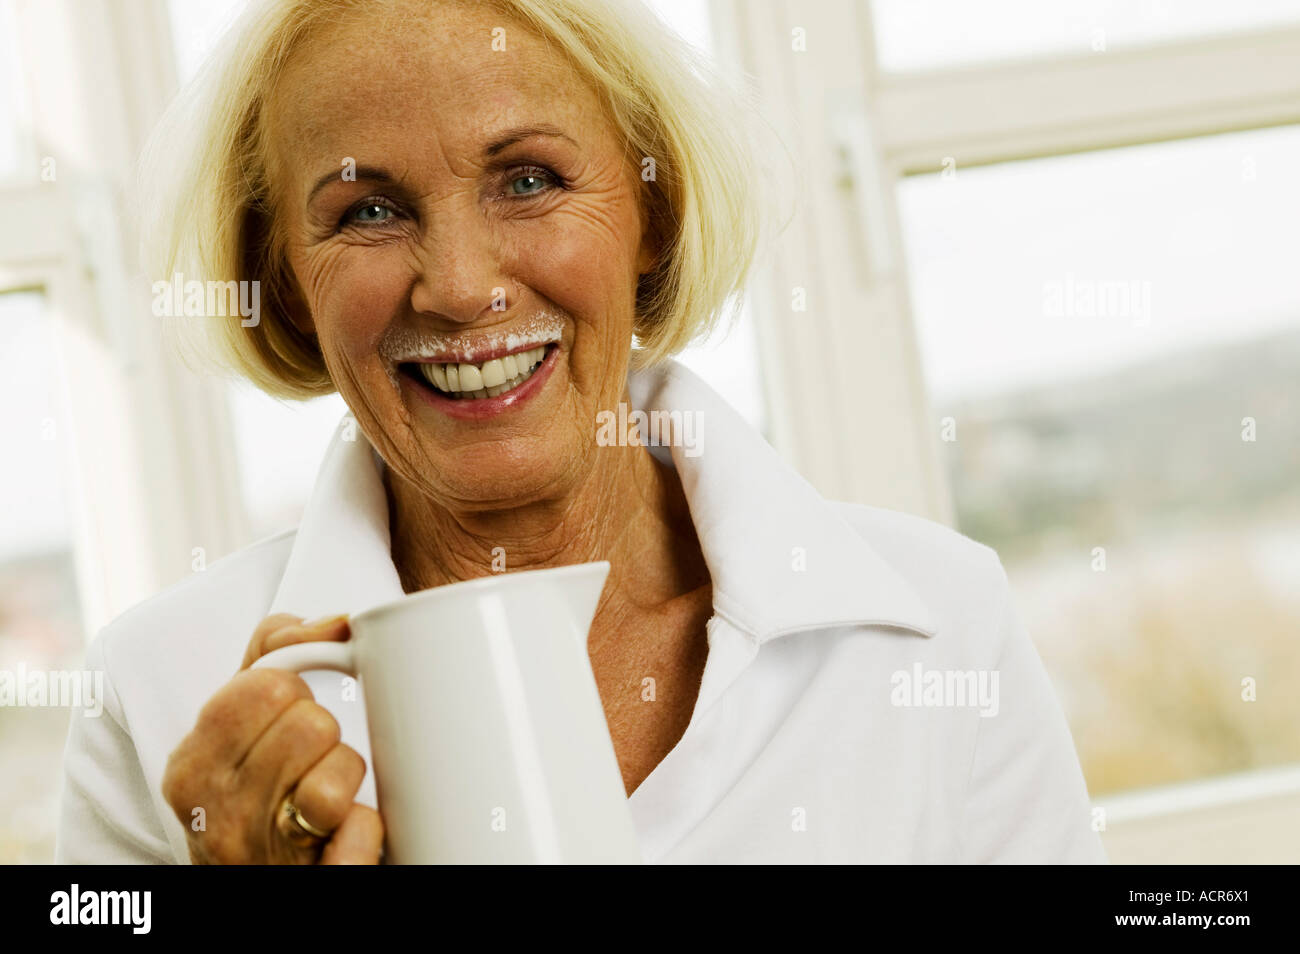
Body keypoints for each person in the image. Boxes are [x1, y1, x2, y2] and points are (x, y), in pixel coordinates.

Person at [55, 0, 1106, 864]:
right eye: (367, 211)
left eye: (529, 180)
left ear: (652, 211)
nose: (462, 289)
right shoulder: (162, 697)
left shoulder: (938, 623)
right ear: (282, 283)